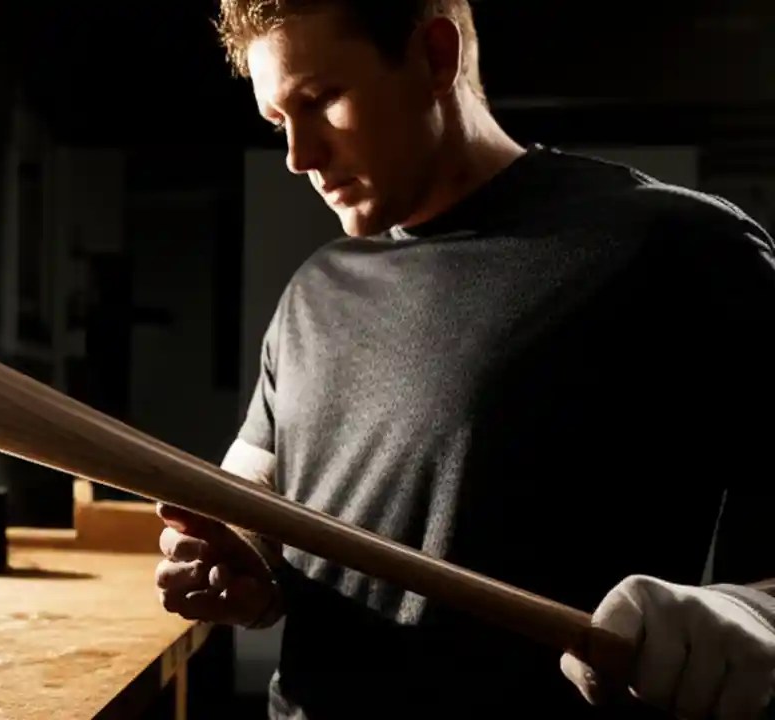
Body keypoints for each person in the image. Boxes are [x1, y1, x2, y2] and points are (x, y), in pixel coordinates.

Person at [154, 1, 775, 718]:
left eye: (321, 101)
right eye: (277, 122)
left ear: (434, 57)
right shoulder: (313, 293)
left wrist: (755, 613)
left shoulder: (679, 249)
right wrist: (244, 566)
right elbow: (258, 509)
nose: (298, 155)